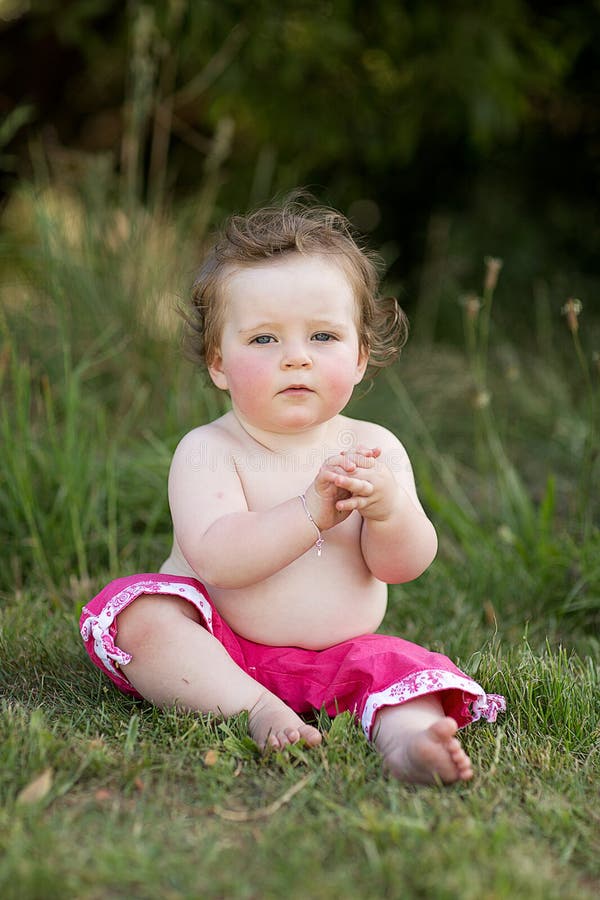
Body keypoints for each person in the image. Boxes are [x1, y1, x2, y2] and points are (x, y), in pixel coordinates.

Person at [80, 198, 504, 784]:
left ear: (359, 357)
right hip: (221, 649)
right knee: (144, 619)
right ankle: (254, 707)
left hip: (343, 654)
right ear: (218, 362)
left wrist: (388, 511)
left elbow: (403, 564)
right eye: (263, 340)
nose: (296, 358)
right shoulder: (209, 450)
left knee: (398, 671)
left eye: (323, 336)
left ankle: (409, 744)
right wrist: (310, 512)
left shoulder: (376, 448)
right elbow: (218, 559)